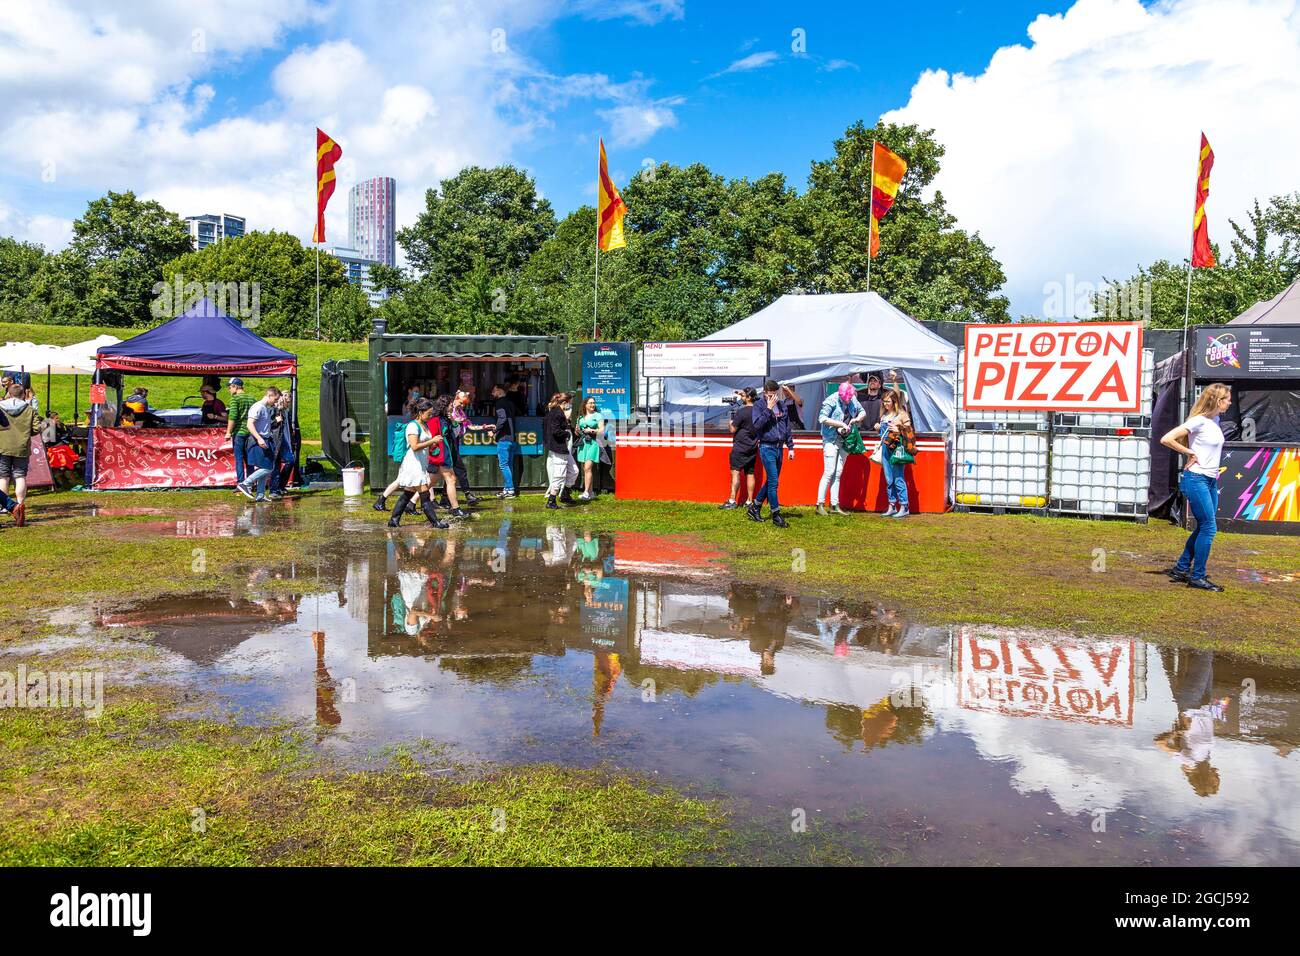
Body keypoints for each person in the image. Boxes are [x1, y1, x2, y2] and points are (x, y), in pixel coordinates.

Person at [1160, 383, 1232, 592]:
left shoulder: (1214, 420)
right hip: (1196, 479)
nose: (1229, 402)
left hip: (1210, 480)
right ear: (1218, 401)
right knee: (1209, 528)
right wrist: (1189, 453)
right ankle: (1197, 576)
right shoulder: (1198, 421)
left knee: (1204, 526)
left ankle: (1181, 568)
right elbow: (1167, 439)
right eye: (1227, 399)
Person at [388, 397, 450, 530]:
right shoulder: (412, 426)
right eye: (428, 414)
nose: (430, 416)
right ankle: (436, 523)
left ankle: (394, 520)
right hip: (413, 464)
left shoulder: (425, 425)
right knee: (425, 495)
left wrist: (432, 445)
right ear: (420, 412)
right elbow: (415, 446)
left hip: (421, 463)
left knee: (407, 494)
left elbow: (424, 444)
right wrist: (431, 440)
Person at [746, 379, 796, 528]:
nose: (773, 397)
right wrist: (768, 409)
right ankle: (776, 514)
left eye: (775, 394)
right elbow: (756, 426)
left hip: (779, 447)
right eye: (770, 394)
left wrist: (791, 447)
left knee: (771, 481)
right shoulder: (759, 405)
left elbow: (786, 428)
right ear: (765, 393)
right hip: (766, 447)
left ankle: (755, 507)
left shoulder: (782, 406)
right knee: (774, 482)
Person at [817, 382, 866, 516]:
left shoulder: (852, 398)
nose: (848, 400)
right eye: (845, 398)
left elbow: (862, 411)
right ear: (840, 395)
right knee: (829, 471)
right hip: (831, 439)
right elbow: (822, 418)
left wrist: (856, 419)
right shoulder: (831, 400)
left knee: (838, 472)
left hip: (845, 439)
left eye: (849, 398)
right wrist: (839, 423)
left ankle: (834, 505)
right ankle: (819, 504)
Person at [0, 383, 41, 526]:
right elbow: (37, 428)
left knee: (3, 477)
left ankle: (4, 507)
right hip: (22, 447)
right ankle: (20, 504)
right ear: (23, 394)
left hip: (2, 446)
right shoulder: (29, 409)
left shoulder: (0, 406)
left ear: (9, 394)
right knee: (20, 476)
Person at [427, 394, 470, 520]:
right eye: (451, 404)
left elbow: (457, 434)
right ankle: (456, 509)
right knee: (451, 479)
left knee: (429, 482)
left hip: (446, 453)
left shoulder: (447, 418)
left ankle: (410, 503)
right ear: (445, 406)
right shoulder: (435, 419)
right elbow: (433, 438)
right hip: (440, 455)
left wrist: (453, 421)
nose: (453, 406)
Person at [237, 385, 280, 502]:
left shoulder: (265, 408)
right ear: (269, 395)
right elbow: (249, 424)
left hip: (266, 439)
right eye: (275, 399)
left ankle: (260, 495)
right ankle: (245, 483)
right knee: (268, 468)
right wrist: (259, 438)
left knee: (265, 467)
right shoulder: (258, 407)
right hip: (258, 440)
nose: (275, 403)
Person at [720, 387, 758, 510]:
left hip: (740, 446)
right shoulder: (758, 411)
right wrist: (742, 393)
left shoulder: (742, 412)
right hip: (752, 446)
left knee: (735, 472)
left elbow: (732, 429)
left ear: (748, 397)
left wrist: (730, 421)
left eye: (743, 396)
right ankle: (749, 501)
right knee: (750, 473)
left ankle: (732, 500)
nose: (741, 398)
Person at [878, 388, 913, 518]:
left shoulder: (902, 414)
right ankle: (892, 505)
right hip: (885, 449)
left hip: (897, 449)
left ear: (894, 401)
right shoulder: (883, 415)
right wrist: (878, 427)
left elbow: (909, 430)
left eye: (887, 401)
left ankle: (904, 506)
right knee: (889, 479)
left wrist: (898, 428)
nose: (885, 404)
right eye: (883, 401)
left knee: (898, 477)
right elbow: (882, 434)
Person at [543, 392, 579, 509]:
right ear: (564, 402)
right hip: (558, 447)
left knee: (574, 470)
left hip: (557, 447)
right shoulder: (558, 413)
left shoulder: (551, 412)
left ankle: (565, 494)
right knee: (559, 475)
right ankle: (551, 501)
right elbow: (555, 431)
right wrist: (566, 434)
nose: (569, 405)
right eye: (569, 403)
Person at [489, 383, 518, 499]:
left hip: (504, 439)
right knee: (508, 465)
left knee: (503, 465)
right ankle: (507, 489)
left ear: (500, 391)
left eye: (494, 390)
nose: (492, 393)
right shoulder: (510, 403)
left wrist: (494, 431)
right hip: (511, 439)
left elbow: (502, 418)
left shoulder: (500, 403)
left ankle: (510, 490)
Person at [224, 377, 253, 490]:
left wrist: (228, 432)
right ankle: (250, 482)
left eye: (230, 387)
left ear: (236, 386)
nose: (229, 390)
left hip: (239, 433)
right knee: (249, 459)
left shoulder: (235, 399)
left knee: (239, 459)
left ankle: (241, 483)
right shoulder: (252, 398)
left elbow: (233, 417)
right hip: (250, 433)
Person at [268, 391, 297, 499]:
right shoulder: (273, 409)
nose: (287, 402)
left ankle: (280, 486)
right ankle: (274, 489)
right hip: (276, 440)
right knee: (276, 464)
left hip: (284, 440)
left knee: (290, 461)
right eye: (286, 400)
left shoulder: (285, 412)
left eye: (289, 401)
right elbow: (266, 425)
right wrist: (275, 421)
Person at [575, 396, 604, 501]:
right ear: (585, 405)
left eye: (593, 403)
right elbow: (576, 432)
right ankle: (591, 492)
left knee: (587, 468)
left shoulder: (598, 415)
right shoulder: (580, 417)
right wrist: (577, 431)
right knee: (585, 468)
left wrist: (591, 430)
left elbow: (602, 431)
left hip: (593, 443)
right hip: (583, 443)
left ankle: (586, 492)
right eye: (590, 403)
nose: (592, 405)